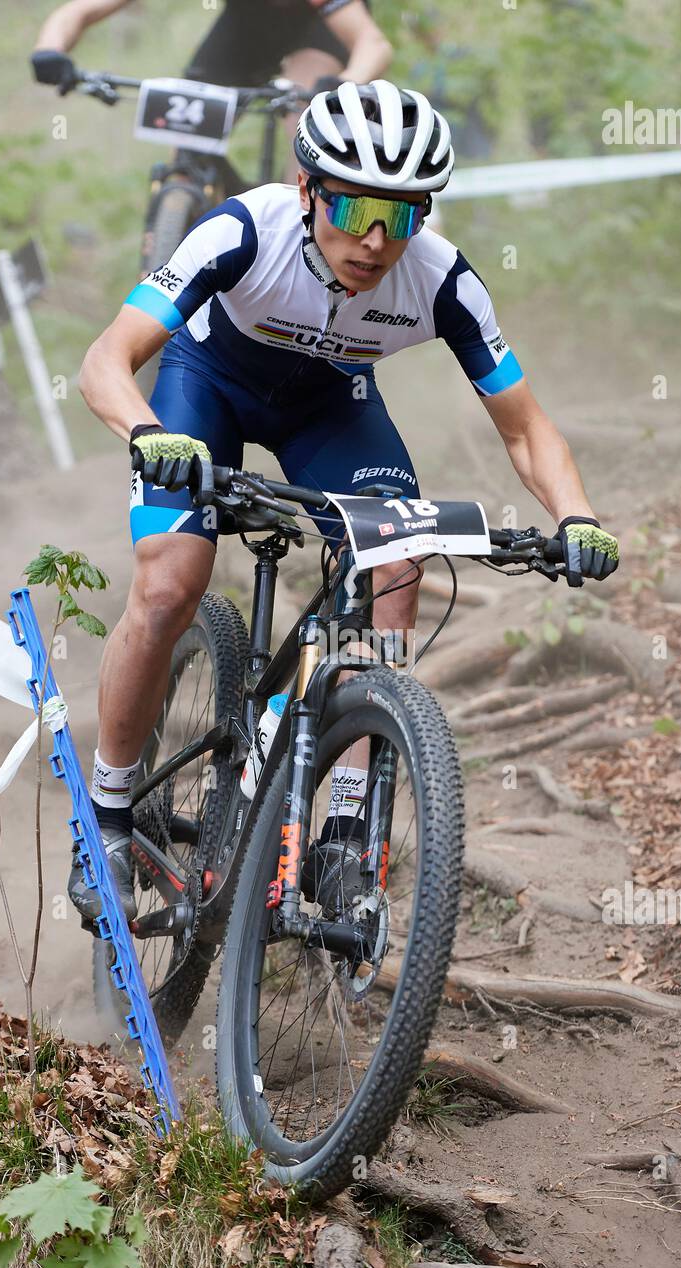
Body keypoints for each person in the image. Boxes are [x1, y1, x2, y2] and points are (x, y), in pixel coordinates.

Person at [68, 79, 620, 923]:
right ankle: (104, 812)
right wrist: (147, 433)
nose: (371, 240)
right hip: (203, 388)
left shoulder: (441, 281)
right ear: (306, 189)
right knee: (173, 583)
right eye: (353, 207)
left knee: (393, 566)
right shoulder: (242, 229)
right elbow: (106, 360)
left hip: (330, 407)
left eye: (398, 216)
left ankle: (343, 830)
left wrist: (575, 514)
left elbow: (525, 428)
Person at [31, 1, 393, 134]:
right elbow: (79, 9)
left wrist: (344, 83)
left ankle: (300, 213)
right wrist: (50, 50)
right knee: (185, 131)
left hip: (319, 32)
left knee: (304, 111)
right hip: (245, 29)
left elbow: (373, 44)